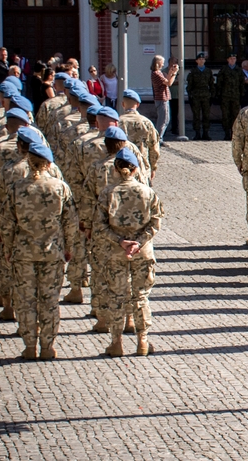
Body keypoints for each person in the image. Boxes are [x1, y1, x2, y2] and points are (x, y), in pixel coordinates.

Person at [9, 141, 79, 360]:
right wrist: (69, 247)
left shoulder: (17, 188)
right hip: (52, 251)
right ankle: (48, 346)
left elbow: (7, 223)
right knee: (49, 301)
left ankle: (29, 346)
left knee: (25, 300)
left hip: (23, 252)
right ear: (49, 164)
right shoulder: (60, 187)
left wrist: (9, 249)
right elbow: (70, 221)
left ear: (29, 163)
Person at [95, 148, 163, 356]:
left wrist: (121, 241)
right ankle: (143, 341)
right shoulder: (147, 192)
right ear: (135, 170)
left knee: (116, 296)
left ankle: (116, 342)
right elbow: (155, 222)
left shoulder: (108, 193)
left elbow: (100, 224)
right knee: (140, 296)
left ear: (115, 169)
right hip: (142, 252)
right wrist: (137, 242)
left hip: (115, 252)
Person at [215, 53, 248, 139]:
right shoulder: (223, 70)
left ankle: (234, 133)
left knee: (235, 115)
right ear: (228, 60)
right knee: (226, 115)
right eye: (231, 58)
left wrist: (242, 94)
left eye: (234, 58)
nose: (233, 60)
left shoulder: (239, 70)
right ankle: (226, 132)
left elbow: (242, 83)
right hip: (225, 96)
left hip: (236, 96)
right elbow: (219, 83)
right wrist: (218, 94)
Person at [184, 52, 214, 139]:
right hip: (196, 95)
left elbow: (211, 84)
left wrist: (212, 94)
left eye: (203, 59)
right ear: (196, 61)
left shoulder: (208, 71)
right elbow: (190, 85)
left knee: (206, 115)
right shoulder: (193, 71)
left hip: (206, 95)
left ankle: (206, 133)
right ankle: (197, 133)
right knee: (196, 115)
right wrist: (190, 94)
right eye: (200, 59)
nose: (201, 61)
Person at [148, 55, 177, 139]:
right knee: (162, 120)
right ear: (158, 63)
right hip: (161, 99)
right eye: (162, 62)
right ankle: (157, 139)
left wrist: (171, 72)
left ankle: (159, 138)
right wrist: (174, 74)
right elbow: (169, 83)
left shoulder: (159, 72)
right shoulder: (156, 74)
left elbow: (167, 79)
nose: (163, 64)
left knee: (166, 120)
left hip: (165, 98)